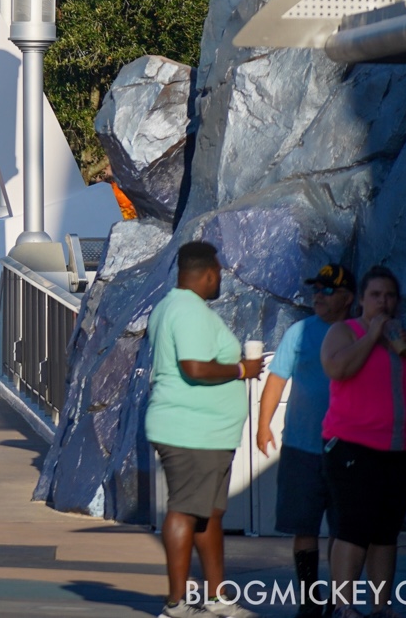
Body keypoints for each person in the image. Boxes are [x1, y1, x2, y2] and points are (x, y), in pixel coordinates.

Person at [144, 240, 264, 618]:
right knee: (184, 509)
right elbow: (194, 367)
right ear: (208, 273)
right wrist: (242, 370)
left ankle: (217, 597)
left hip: (206, 433)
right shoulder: (190, 311)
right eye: (218, 273)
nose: (220, 281)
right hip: (189, 430)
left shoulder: (168, 307)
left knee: (208, 513)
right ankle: (176, 604)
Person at [319, 264, 406, 616]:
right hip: (352, 446)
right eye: (376, 295)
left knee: (386, 532)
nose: (383, 302)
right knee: (353, 528)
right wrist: (372, 336)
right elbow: (338, 369)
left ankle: (380, 607)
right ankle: (344, 607)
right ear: (362, 300)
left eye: (390, 296)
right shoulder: (344, 332)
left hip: (402, 450)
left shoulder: (405, 339)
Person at [254, 264, 354, 617]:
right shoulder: (298, 332)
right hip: (301, 446)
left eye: (327, 291)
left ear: (347, 298)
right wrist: (263, 425)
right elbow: (277, 380)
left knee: (344, 531)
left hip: (347, 449)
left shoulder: (358, 334)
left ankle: (340, 602)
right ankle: (310, 599)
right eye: (316, 289)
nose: (319, 297)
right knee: (304, 526)